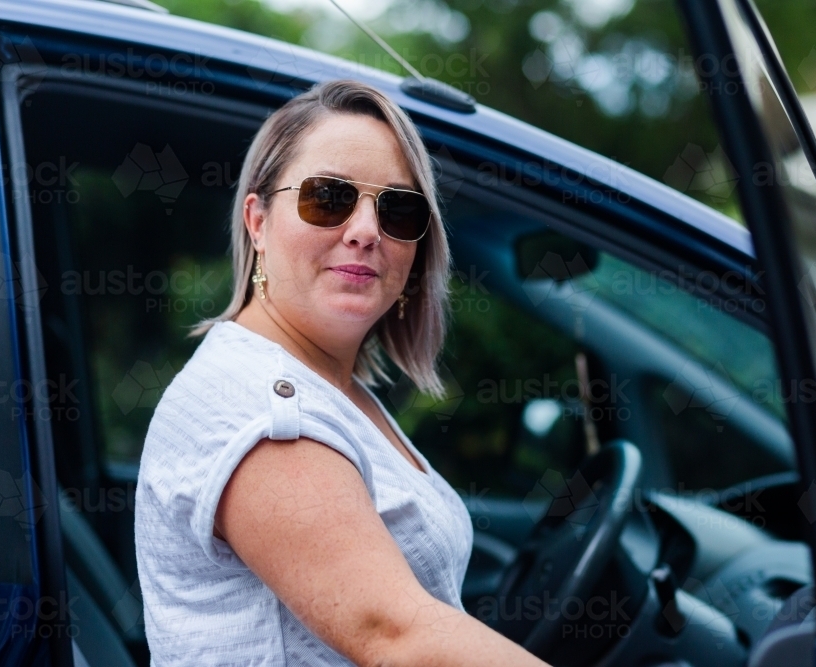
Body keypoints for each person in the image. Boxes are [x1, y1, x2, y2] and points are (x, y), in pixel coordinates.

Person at [134, 79, 550, 666]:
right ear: (257, 220)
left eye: (398, 208)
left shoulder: (334, 388)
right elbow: (395, 635)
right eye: (328, 198)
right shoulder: (256, 406)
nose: (365, 230)